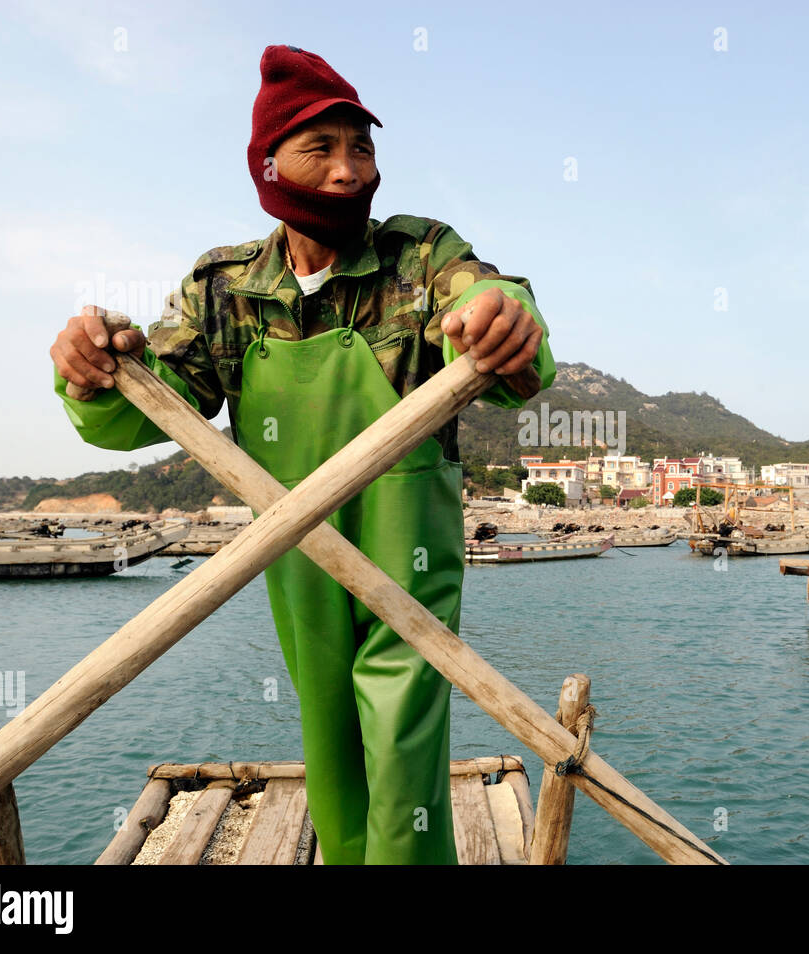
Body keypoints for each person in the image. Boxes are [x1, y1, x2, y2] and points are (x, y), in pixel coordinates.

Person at [49, 44, 556, 864]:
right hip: (294, 544)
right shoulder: (224, 288)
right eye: (322, 148)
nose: (350, 171)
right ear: (268, 163)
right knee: (328, 733)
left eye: (363, 148)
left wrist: (503, 312)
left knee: (401, 732)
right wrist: (91, 373)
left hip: (409, 544)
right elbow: (148, 407)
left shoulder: (419, 256)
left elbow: (494, 313)